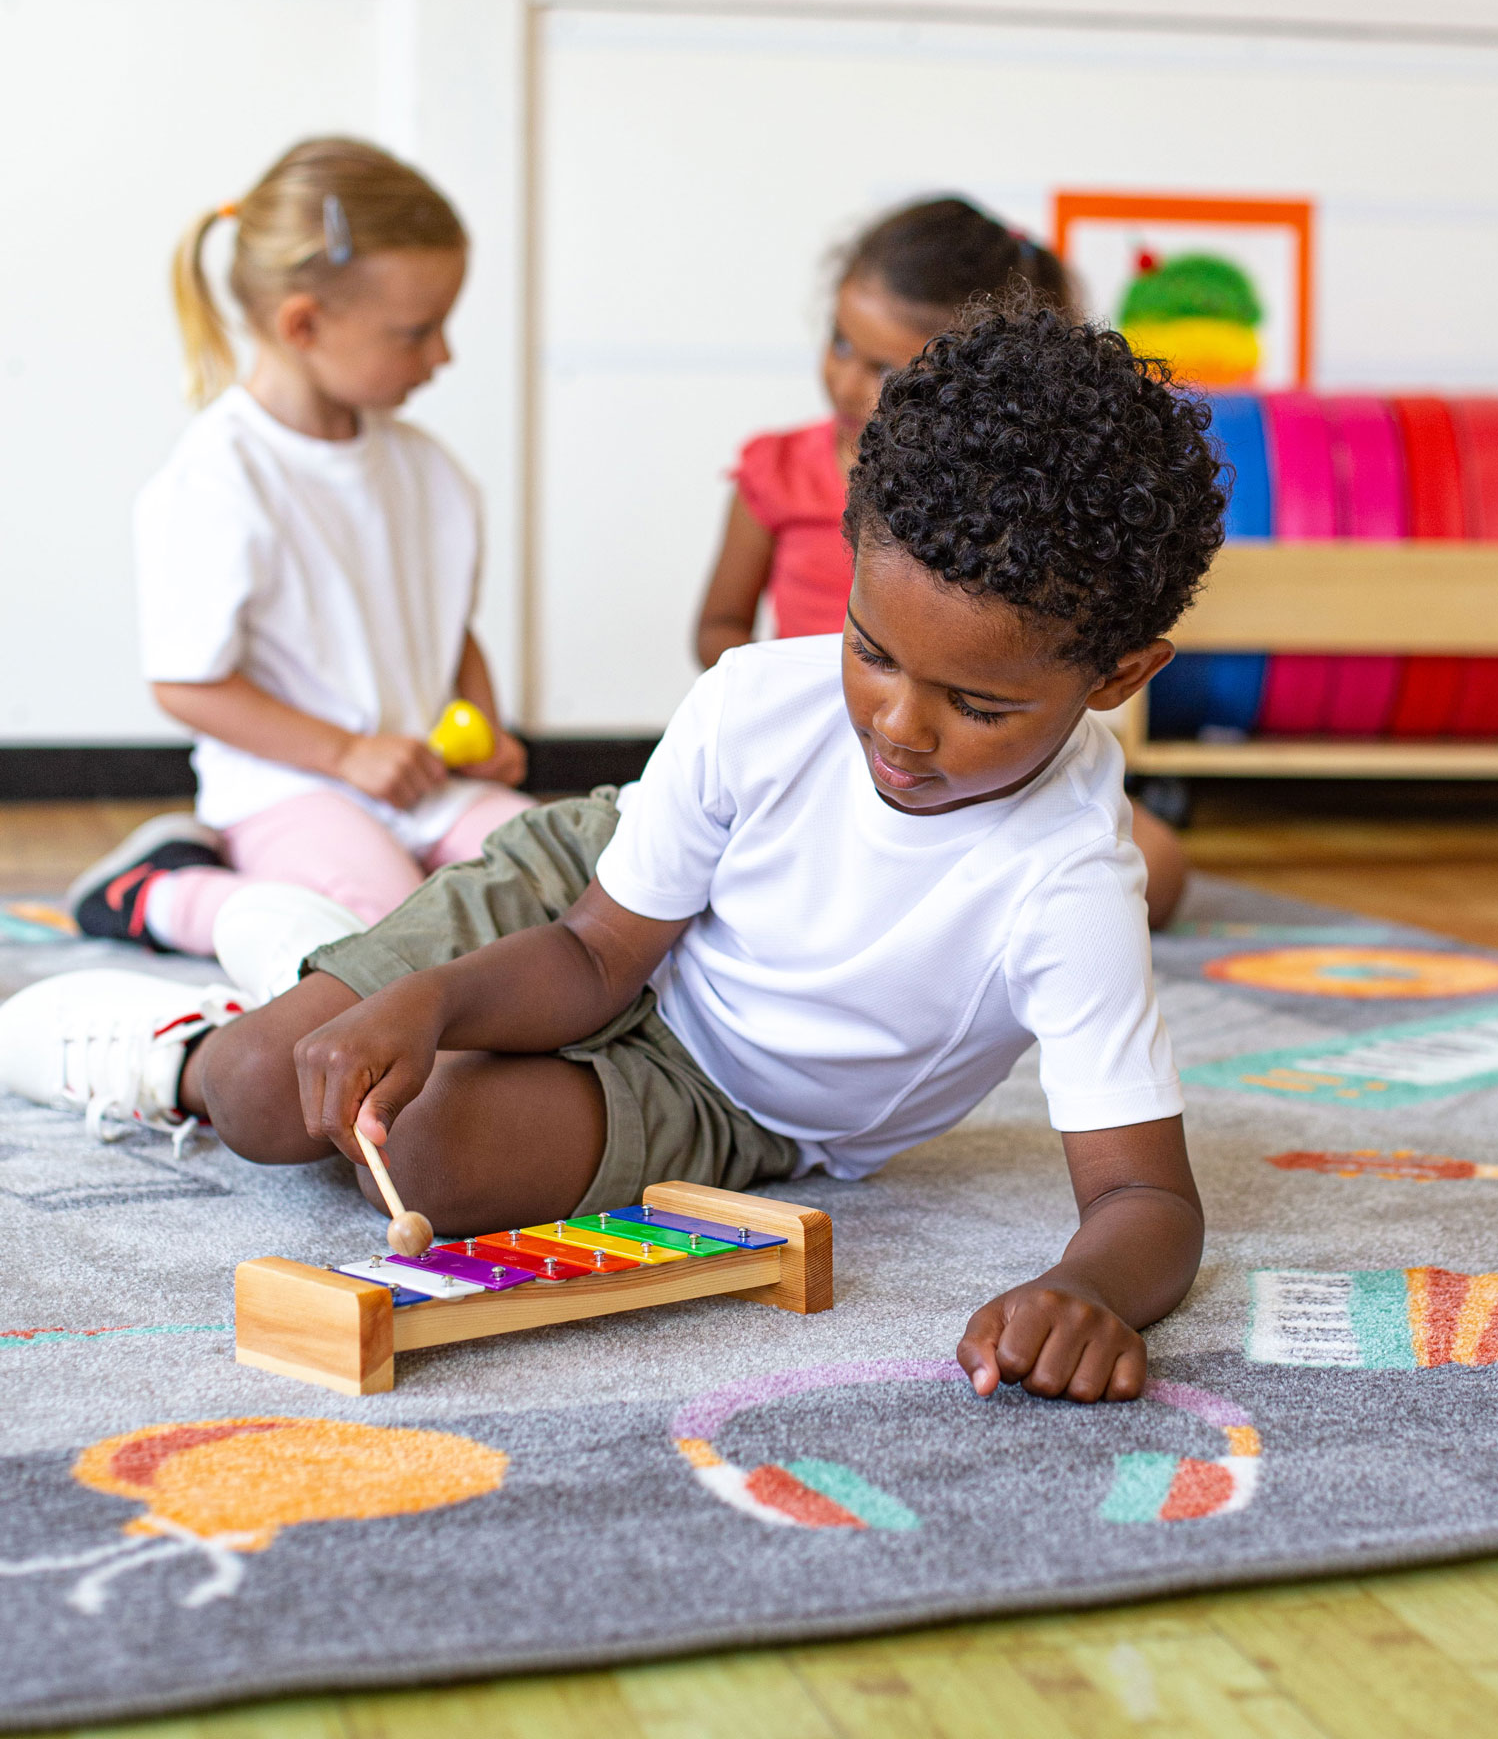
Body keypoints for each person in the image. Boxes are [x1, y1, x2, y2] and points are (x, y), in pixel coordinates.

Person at [0, 303, 1226, 1401]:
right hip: (598, 903)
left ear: (1117, 677)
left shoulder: (1070, 885)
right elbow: (594, 953)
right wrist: (424, 997)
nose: (899, 727)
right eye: (870, 650)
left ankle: (302, 947)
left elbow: (1145, 1201)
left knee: (411, 1147)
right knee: (274, 1091)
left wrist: (1093, 1294)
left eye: (979, 706)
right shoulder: (757, 704)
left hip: (730, 1096)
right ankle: (200, 1036)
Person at [69, 137, 531, 971]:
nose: (443, 356)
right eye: (417, 332)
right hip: (290, 787)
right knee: (376, 944)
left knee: (558, 886)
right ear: (304, 325)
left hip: (422, 781)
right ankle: (165, 892)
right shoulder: (217, 480)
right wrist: (344, 753)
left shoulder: (428, 472)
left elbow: (448, 629)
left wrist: (483, 720)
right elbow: (187, 681)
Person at [694, 196, 1190, 927]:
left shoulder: (1029, 508)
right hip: (839, 743)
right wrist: (785, 704)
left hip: (974, 763)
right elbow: (720, 623)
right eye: (839, 345)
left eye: (884, 368)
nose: (846, 383)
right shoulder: (778, 472)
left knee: (1160, 867)